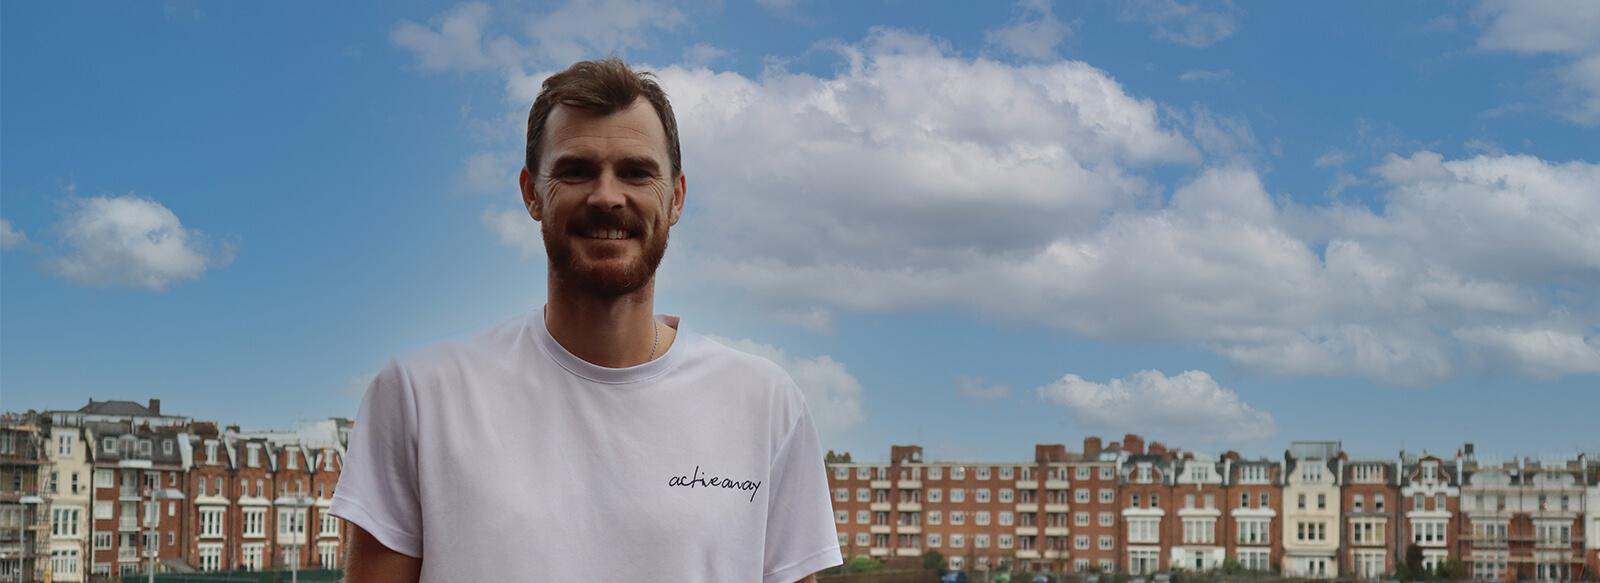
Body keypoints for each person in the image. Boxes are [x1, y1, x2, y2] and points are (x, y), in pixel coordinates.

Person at [329, 58, 844, 582]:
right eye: (576, 170)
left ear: (677, 198)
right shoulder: (420, 394)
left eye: (636, 172)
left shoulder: (764, 404)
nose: (606, 196)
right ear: (531, 192)